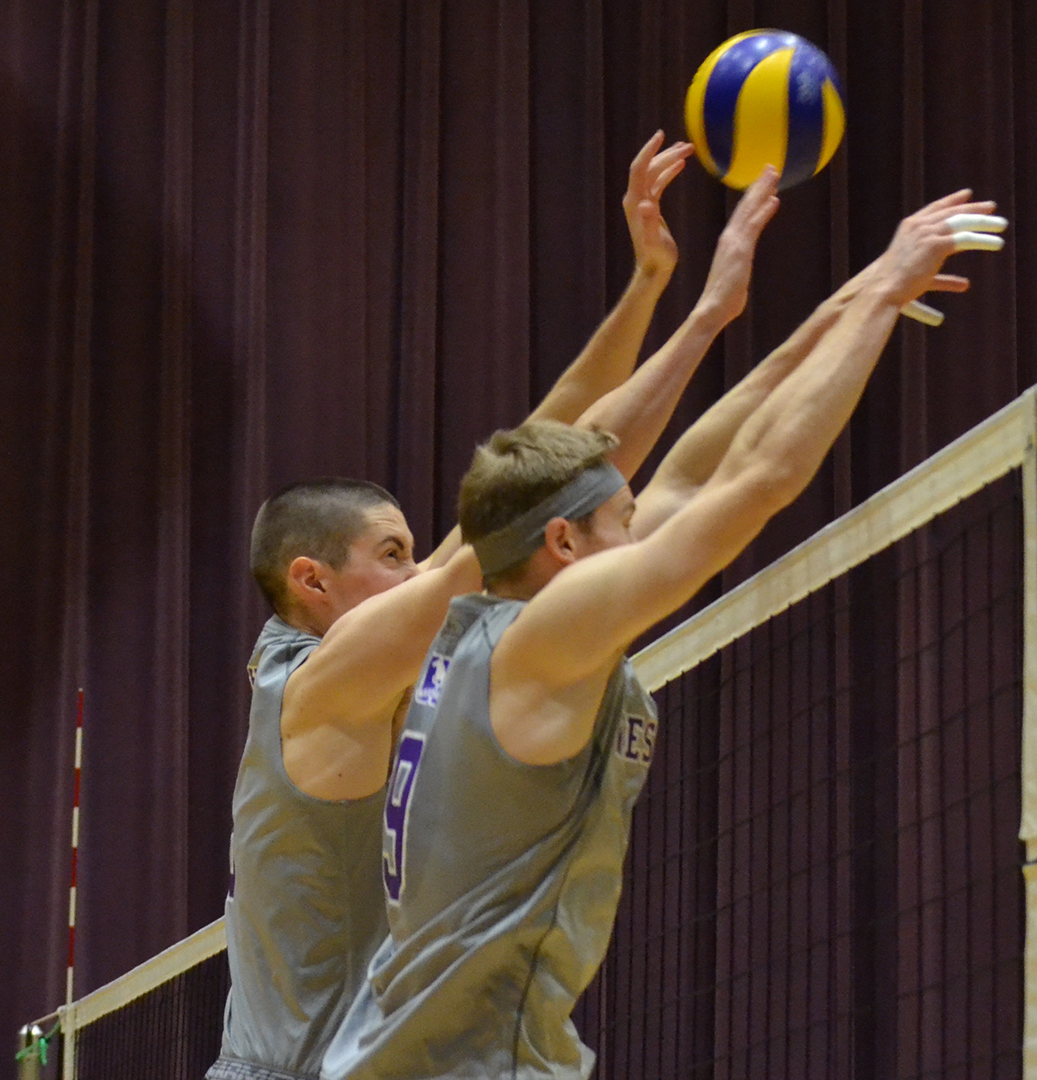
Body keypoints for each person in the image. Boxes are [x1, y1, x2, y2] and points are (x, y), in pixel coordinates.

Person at [320, 181, 1004, 1080]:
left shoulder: (480, 628)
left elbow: (701, 465)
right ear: (561, 543)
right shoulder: (542, 635)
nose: (640, 528)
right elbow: (755, 482)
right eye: (623, 520)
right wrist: (877, 298)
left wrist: (852, 294)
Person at [209, 134, 772, 1080]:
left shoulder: (352, 655)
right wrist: (706, 319)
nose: (420, 566)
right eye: (393, 555)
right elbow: (545, 490)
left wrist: (646, 286)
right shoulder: (321, 683)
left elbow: (541, 452)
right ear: (312, 581)